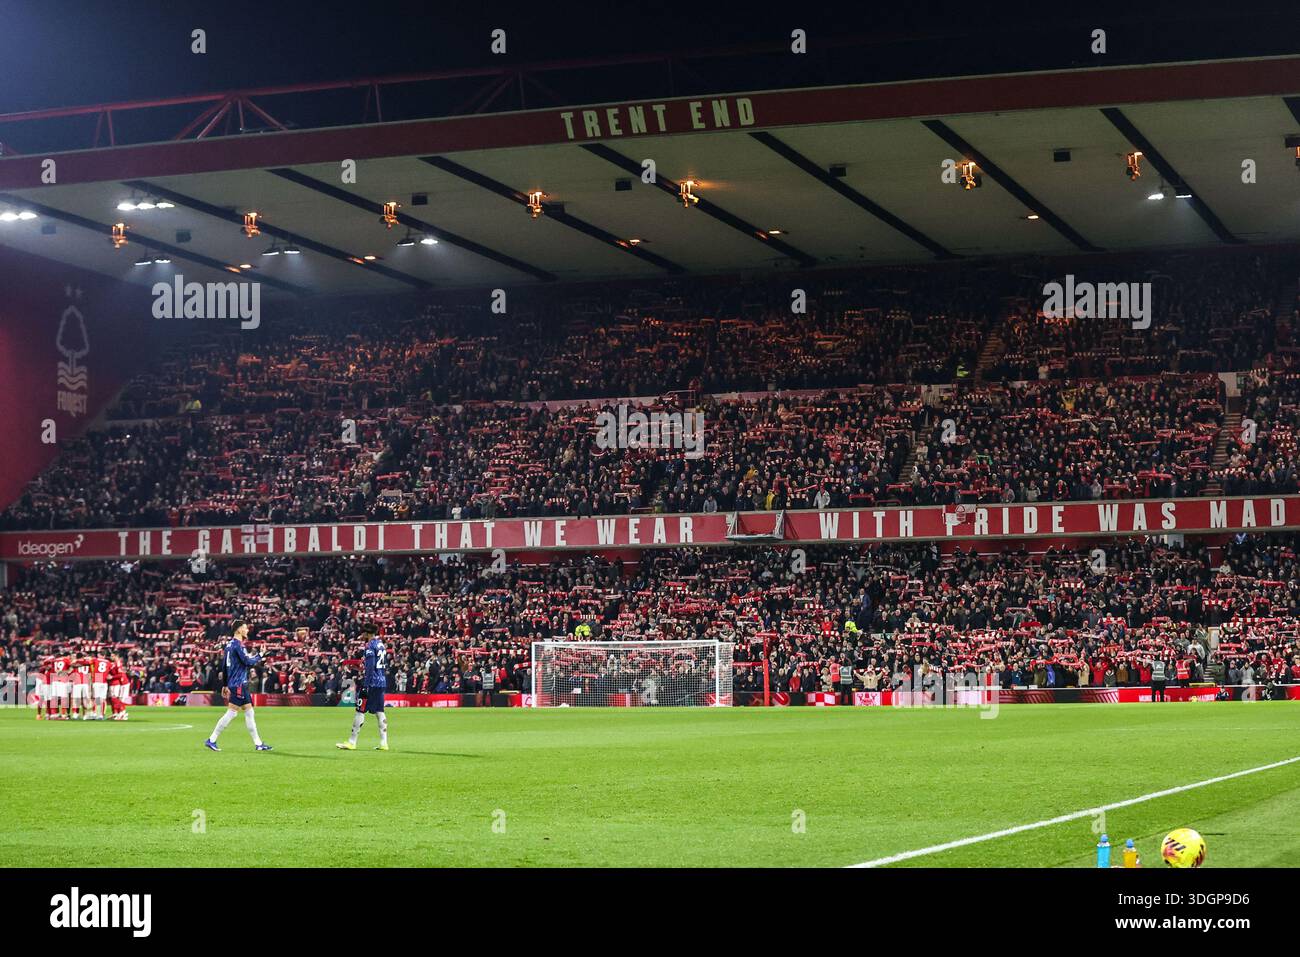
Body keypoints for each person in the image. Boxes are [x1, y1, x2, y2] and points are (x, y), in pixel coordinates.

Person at [204, 621, 272, 752]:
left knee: (249, 712)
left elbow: (224, 666)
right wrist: (261, 655)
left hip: (237, 684)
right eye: (245, 628)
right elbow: (247, 662)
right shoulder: (238, 646)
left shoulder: (229, 645)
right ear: (239, 630)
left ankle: (258, 744)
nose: (247, 630)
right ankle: (212, 739)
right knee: (232, 713)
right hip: (238, 684)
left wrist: (225, 684)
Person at [337, 631, 389, 751]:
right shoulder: (381, 645)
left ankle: (352, 741)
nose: (362, 636)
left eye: (364, 634)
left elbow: (370, 668)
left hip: (371, 683)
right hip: (381, 682)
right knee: (379, 711)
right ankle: (384, 743)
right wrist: (357, 667)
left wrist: (366, 685)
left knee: (360, 710)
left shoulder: (370, 647)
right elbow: (376, 665)